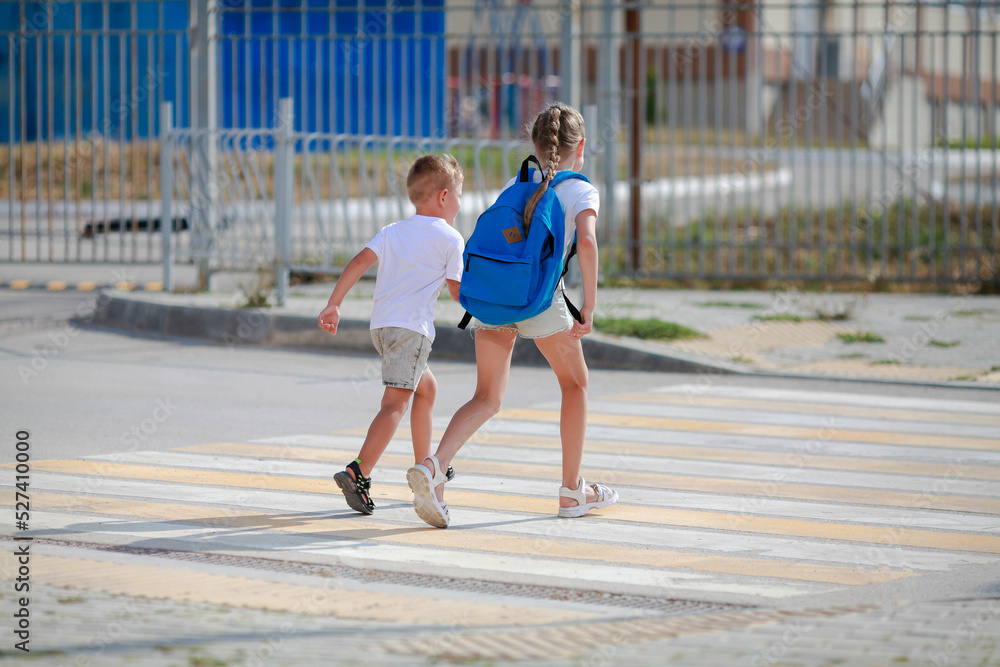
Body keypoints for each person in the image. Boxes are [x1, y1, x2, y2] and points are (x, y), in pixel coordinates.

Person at [406, 102, 618, 528]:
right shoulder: (580, 189)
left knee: (486, 397)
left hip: (496, 299)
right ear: (580, 150)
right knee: (575, 384)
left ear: (534, 145)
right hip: (540, 300)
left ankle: (433, 467)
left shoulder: (514, 182)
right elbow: (589, 244)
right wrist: (589, 308)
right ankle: (572, 491)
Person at [318, 154, 465, 514]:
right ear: (444, 197)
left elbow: (358, 262)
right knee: (395, 404)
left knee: (426, 389)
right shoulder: (450, 238)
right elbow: (459, 293)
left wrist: (334, 304)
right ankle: (359, 471)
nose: (461, 203)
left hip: (382, 328)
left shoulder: (393, 231)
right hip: (411, 331)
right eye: (460, 195)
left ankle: (423, 467)